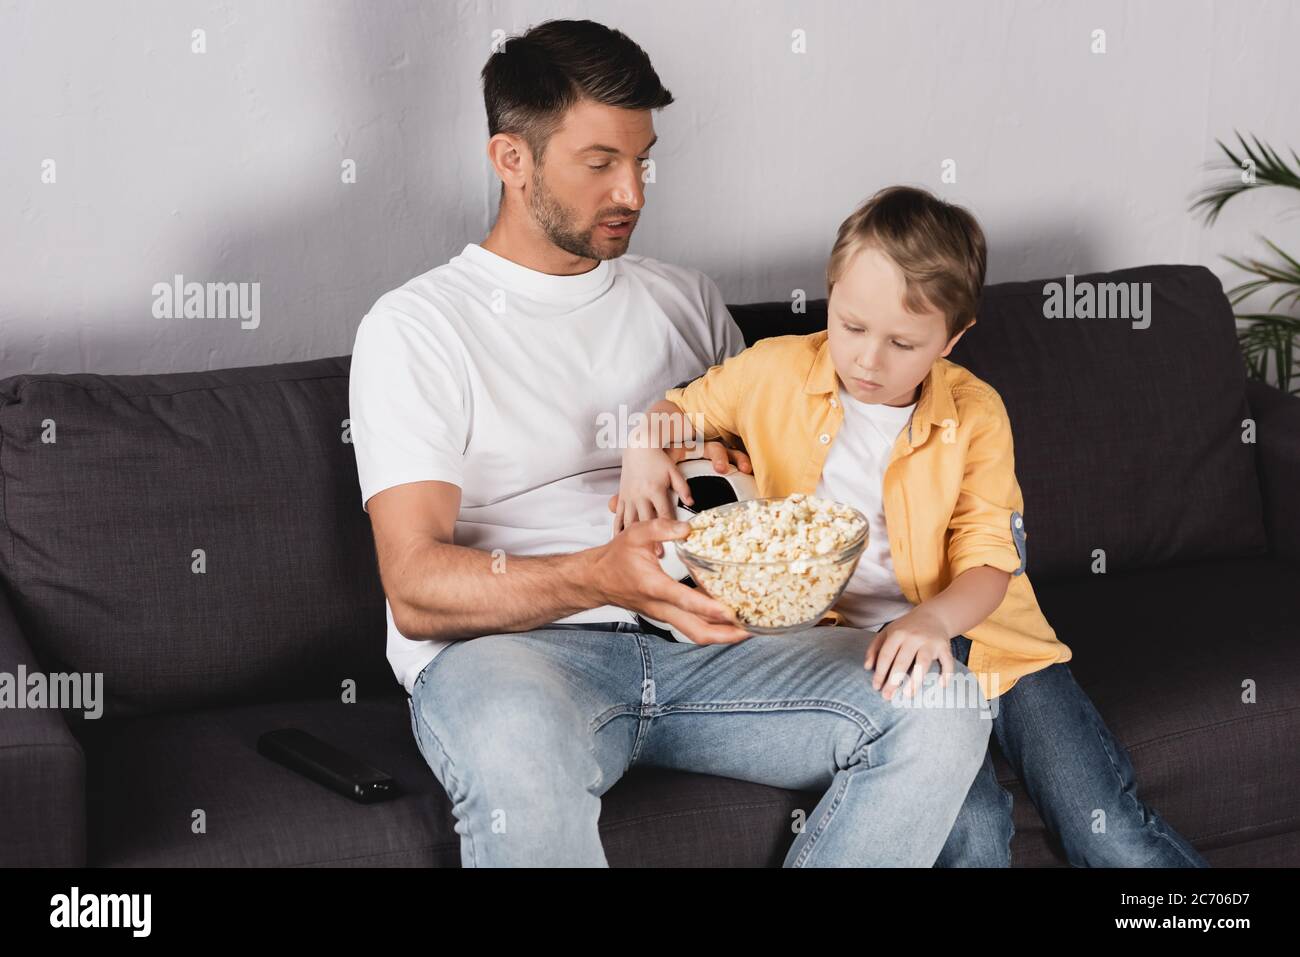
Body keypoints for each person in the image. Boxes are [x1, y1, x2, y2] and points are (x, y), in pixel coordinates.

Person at [348, 20, 991, 867]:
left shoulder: (685, 300)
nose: (634, 192)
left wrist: (737, 477)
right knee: (520, 767)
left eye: (643, 159)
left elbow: (773, 481)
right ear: (512, 159)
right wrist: (599, 573)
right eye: (601, 163)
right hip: (514, 660)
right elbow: (415, 586)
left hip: (715, 645)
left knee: (942, 705)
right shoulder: (419, 327)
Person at [617, 184, 1207, 867]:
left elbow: (990, 565)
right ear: (831, 293)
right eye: (851, 324)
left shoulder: (976, 414)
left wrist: (934, 621)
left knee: (1106, 826)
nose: (868, 359)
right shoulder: (773, 371)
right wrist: (642, 447)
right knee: (973, 834)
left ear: (951, 339)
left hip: (992, 639)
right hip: (869, 657)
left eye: (902, 342)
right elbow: (680, 410)